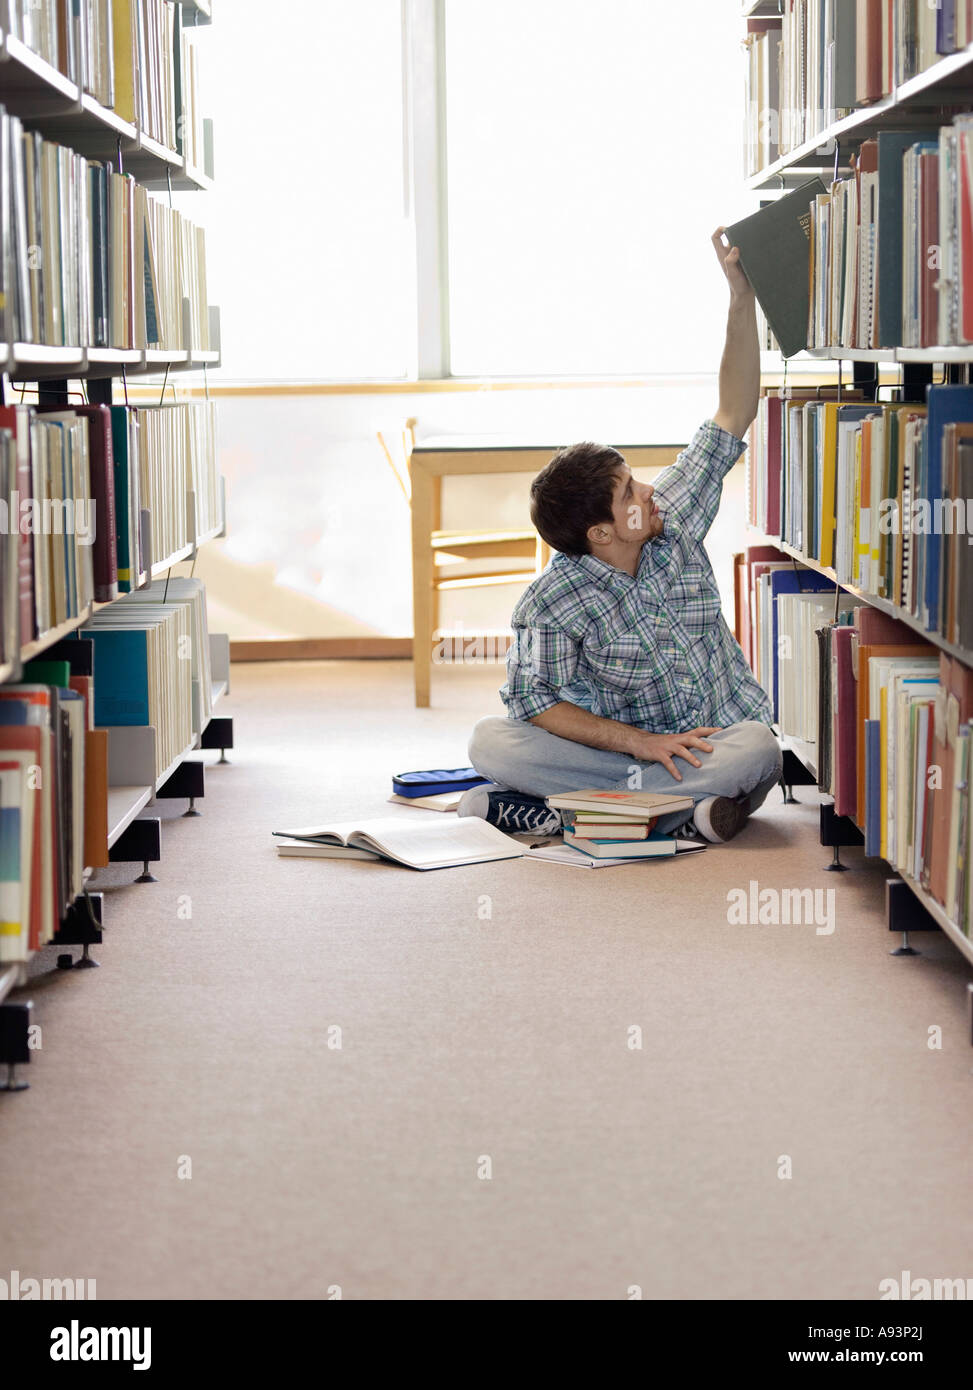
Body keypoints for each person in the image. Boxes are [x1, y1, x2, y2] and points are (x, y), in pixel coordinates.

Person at [459, 228, 782, 843]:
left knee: (758, 749)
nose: (650, 492)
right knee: (490, 741)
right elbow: (533, 702)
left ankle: (573, 811)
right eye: (630, 491)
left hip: (712, 747)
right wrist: (642, 744)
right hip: (625, 754)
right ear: (602, 533)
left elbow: (733, 412)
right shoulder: (551, 602)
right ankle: (680, 813)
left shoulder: (671, 521)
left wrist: (740, 295)